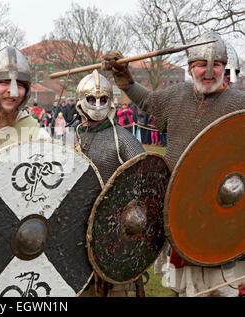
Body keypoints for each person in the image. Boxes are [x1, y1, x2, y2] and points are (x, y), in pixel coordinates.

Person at [102, 31, 245, 297]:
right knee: (183, 289)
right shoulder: (176, 96)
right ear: (191, 68)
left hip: (224, 215)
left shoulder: (240, 106)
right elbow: (148, 101)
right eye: (202, 64)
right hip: (181, 211)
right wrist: (125, 81)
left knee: (222, 290)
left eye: (216, 65)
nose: (209, 72)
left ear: (224, 68)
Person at [73, 70, 145, 297]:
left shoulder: (122, 138)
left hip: (114, 230)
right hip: (76, 230)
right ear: (80, 102)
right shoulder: (71, 138)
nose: (97, 104)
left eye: (103, 99)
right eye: (91, 99)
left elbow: (145, 181)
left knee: (116, 291)